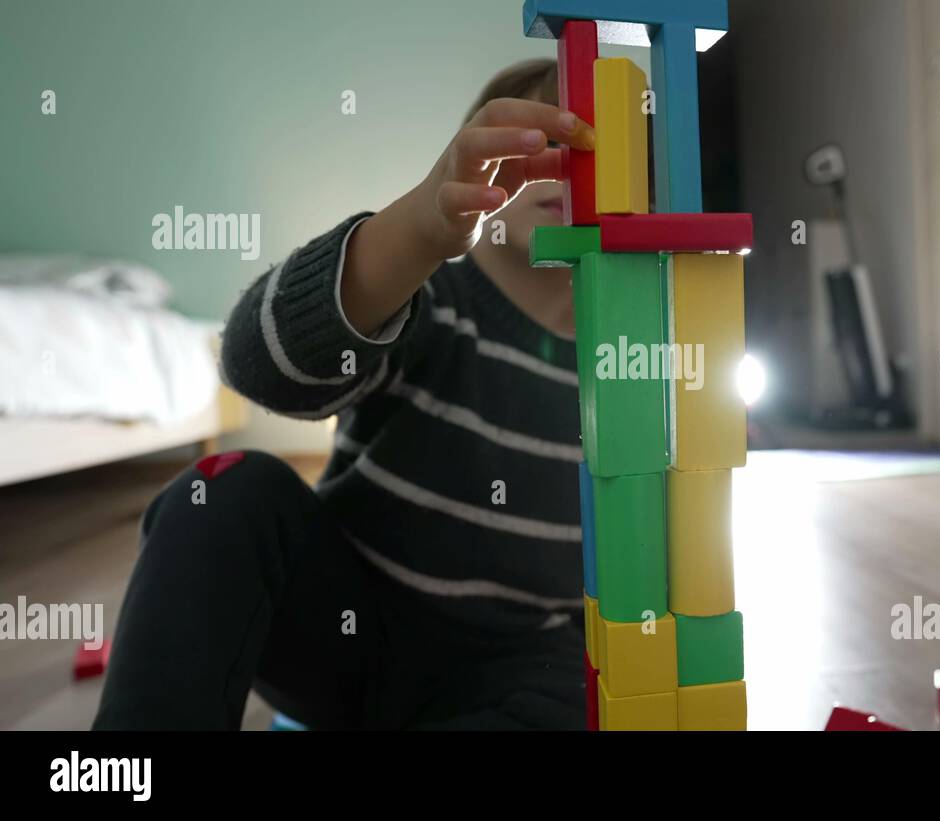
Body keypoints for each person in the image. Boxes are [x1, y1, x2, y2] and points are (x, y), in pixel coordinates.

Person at [94, 59, 598, 730]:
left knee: (588, 695)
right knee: (222, 489)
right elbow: (255, 363)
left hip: (518, 665)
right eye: (536, 145)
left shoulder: (628, 357)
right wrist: (416, 229)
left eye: (589, 146)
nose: (561, 167)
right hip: (348, 628)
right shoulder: (427, 303)